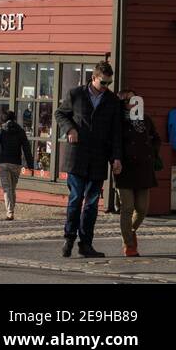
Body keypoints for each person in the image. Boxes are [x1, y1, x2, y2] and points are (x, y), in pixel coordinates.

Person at [56, 60, 123, 258]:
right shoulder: (75, 94)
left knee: (92, 203)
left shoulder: (111, 101)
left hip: (98, 159)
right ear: (93, 78)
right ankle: (69, 238)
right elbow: (59, 114)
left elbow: (115, 133)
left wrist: (116, 158)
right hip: (76, 157)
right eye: (103, 82)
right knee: (76, 198)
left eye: (109, 83)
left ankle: (86, 244)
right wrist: (70, 128)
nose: (105, 87)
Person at [114, 89, 160, 257]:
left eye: (133, 99)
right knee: (127, 207)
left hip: (143, 169)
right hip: (124, 169)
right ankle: (129, 244)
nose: (131, 103)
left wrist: (151, 151)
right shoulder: (117, 121)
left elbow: (156, 137)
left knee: (142, 209)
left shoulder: (145, 119)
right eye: (126, 100)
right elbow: (113, 143)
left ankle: (130, 231)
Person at [0, 109, 34, 219]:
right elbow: (26, 148)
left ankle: (10, 212)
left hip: (3, 163)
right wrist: (30, 164)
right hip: (16, 164)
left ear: (3, 119)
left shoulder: (1, 131)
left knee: (6, 188)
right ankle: (11, 210)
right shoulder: (20, 131)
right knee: (12, 188)